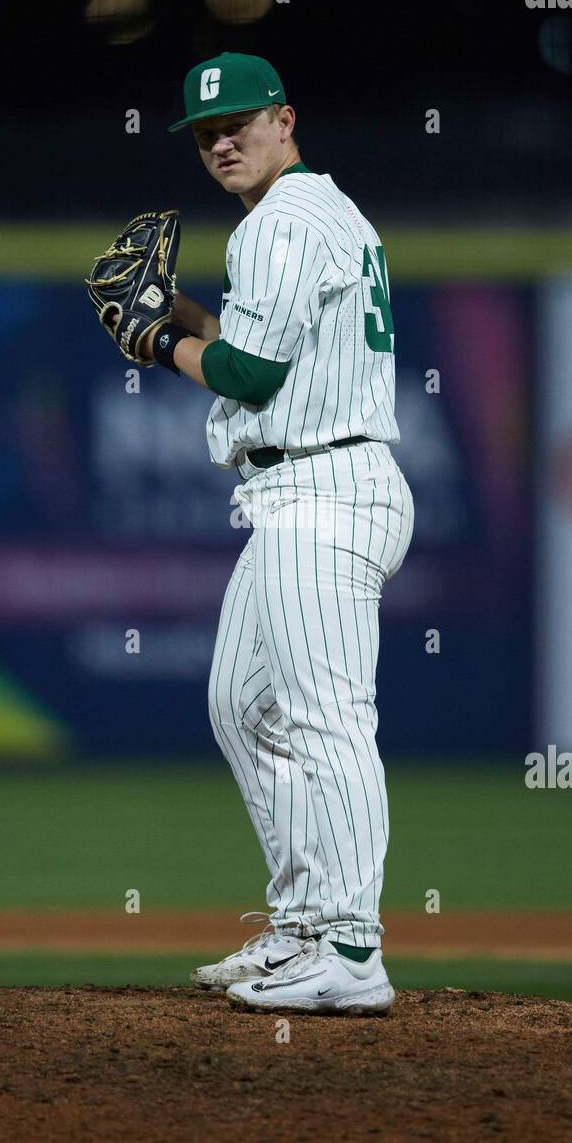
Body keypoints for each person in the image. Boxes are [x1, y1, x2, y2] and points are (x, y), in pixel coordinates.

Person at [141, 51, 413, 1014]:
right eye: (206, 133)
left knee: (326, 719)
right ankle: (301, 929)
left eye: (240, 123)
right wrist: (180, 315)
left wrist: (158, 343)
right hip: (311, 483)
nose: (222, 141)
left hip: (323, 486)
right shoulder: (316, 214)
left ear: (285, 120)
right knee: (242, 707)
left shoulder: (280, 225)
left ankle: (351, 948)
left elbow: (249, 380)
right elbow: (267, 354)